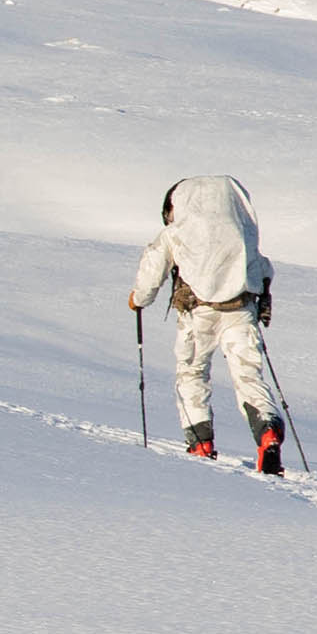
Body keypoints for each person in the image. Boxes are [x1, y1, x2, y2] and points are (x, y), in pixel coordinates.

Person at [128, 175, 284, 470]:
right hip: (241, 309)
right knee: (249, 376)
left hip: (197, 313)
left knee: (192, 373)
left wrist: (138, 299)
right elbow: (264, 270)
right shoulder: (240, 231)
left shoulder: (176, 232)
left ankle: (201, 442)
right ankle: (268, 433)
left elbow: (152, 272)